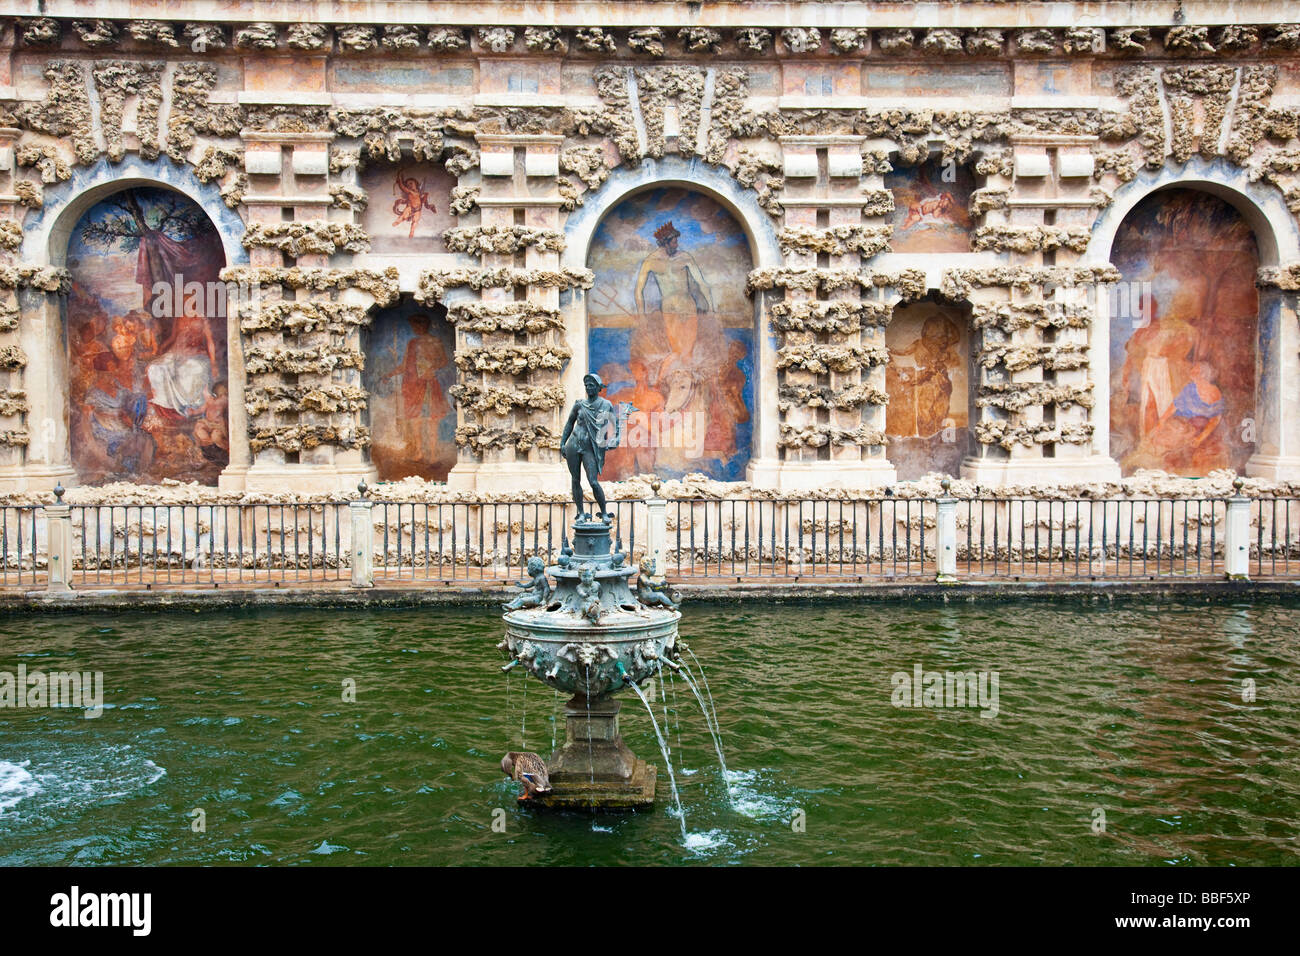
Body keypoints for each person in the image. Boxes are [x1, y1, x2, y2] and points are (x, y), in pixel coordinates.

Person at [561, 373, 616, 520]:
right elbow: (569, 424)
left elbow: (613, 427)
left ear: (599, 388)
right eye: (586, 385)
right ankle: (580, 513)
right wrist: (562, 443)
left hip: (590, 447)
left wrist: (613, 440)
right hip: (573, 444)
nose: (588, 388)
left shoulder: (606, 405)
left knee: (593, 481)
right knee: (575, 479)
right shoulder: (579, 404)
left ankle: (604, 513)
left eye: (592, 385)